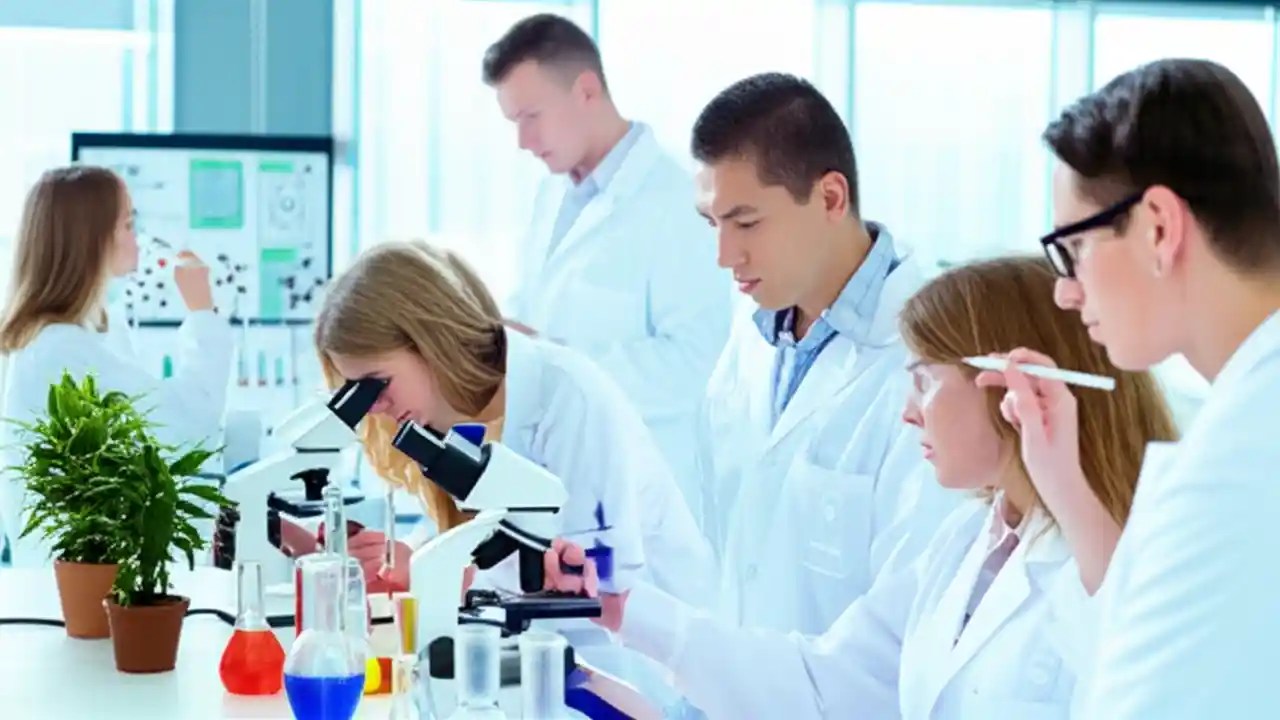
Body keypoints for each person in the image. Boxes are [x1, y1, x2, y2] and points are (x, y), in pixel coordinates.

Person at [543, 256, 1179, 719]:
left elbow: (1148, 686)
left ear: (1012, 385)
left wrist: (1064, 483)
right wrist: (624, 609)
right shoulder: (965, 544)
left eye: (926, 380)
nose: (908, 411)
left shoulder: (1123, 564)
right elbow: (823, 684)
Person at [992, 58, 1280, 719]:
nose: (1065, 291)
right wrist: (1063, 483)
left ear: (1158, 226)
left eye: (1073, 249)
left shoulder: (1232, 473)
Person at [310, 239, 716, 612]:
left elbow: (580, 578)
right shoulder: (440, 418)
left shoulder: (569, 399)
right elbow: (469, 543)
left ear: (429, 342)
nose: (374, 408)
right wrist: (399, 560)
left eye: (375, 384)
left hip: (637, 660)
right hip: (530, 655)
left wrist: (427, 570)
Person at [689, 72, 957, 637]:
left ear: (831, 197)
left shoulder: (929, 357)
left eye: (746, 222)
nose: (723, 255)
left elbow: (908, 617)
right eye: (712, 224)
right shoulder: (752, 333)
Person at [483, 14, 731, 519]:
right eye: (514, 123)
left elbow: (694, 362)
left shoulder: (678, 204)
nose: (523, 142)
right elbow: (532, 309)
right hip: (559, 482)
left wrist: (559, 362)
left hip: (643, 498)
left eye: (531, 116)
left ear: (587, 91)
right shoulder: (550, 195)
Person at [0, 165, 231, 567]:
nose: (137, 237)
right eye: (127, 224)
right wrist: (201, 312)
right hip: (76, 583)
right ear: (92, 241)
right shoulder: (60, 351)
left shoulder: (85, 333)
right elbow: (187, 426)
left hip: (89, 575)